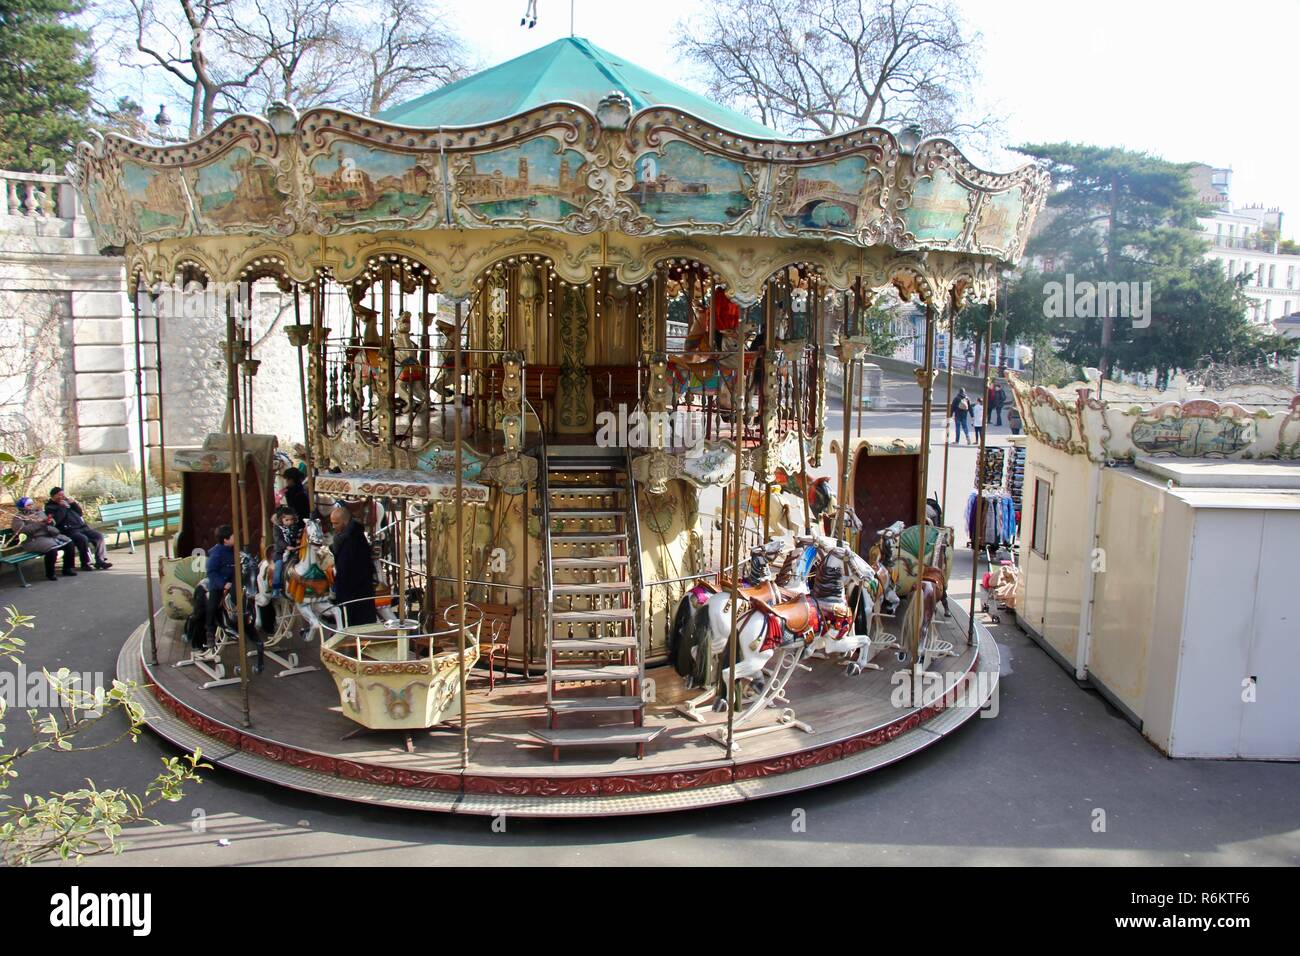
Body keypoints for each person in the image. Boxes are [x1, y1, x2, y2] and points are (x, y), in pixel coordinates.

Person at [329, 503, 376, 627]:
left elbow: (355, 569)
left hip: (355, 592)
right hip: (347, 590)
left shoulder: (355, 540)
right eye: (332, 523)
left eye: (336, 523)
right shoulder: (342, 538)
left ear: (345, 522)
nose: (333, 527)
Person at [10, 497, 77, 581]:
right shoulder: (18, 518)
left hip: (49, 535)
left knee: (69, 543)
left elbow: (52, 522)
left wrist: (50, 521)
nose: (31, 506)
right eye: (28, 505)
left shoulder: (39, 512)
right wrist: (40, 524)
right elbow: (23, 531)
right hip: (33, 540)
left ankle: (68, 568)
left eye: (31, 504)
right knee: (52, 549)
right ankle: (50, 573)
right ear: (22, 506)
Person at [44, 487, 112, 571]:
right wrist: (62, 507)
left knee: (99, 536)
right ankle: (85, 563)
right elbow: (57, 520)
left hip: (82, 527)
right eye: (59, 495)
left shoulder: (67, 502)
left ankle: (100, 561)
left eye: (63, 494)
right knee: (83, 539)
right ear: (53, 497)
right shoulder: (50, 507)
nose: (62, 496)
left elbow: (79, 513)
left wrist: (73, 504)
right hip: (69, 530)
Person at [203, 525, 237, 645]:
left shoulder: (234, 550)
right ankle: (210, 633)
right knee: (213, 605)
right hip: (219, 583)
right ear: (225, 540)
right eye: (233, 536)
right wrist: (223, 583)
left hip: (233, 581)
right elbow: (211, 571)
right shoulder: (216, 554)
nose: (236, 538)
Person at [271, 505, 303, 594]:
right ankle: (276, 588)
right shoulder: (277, 528)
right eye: (287, 520)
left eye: (292, 520)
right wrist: (287, 546)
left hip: (294, 552)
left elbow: (297, 536)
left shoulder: (295, 527)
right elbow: (278, 540)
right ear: (281, 519)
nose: (290, 522)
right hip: (280, 552)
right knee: (278, 567)